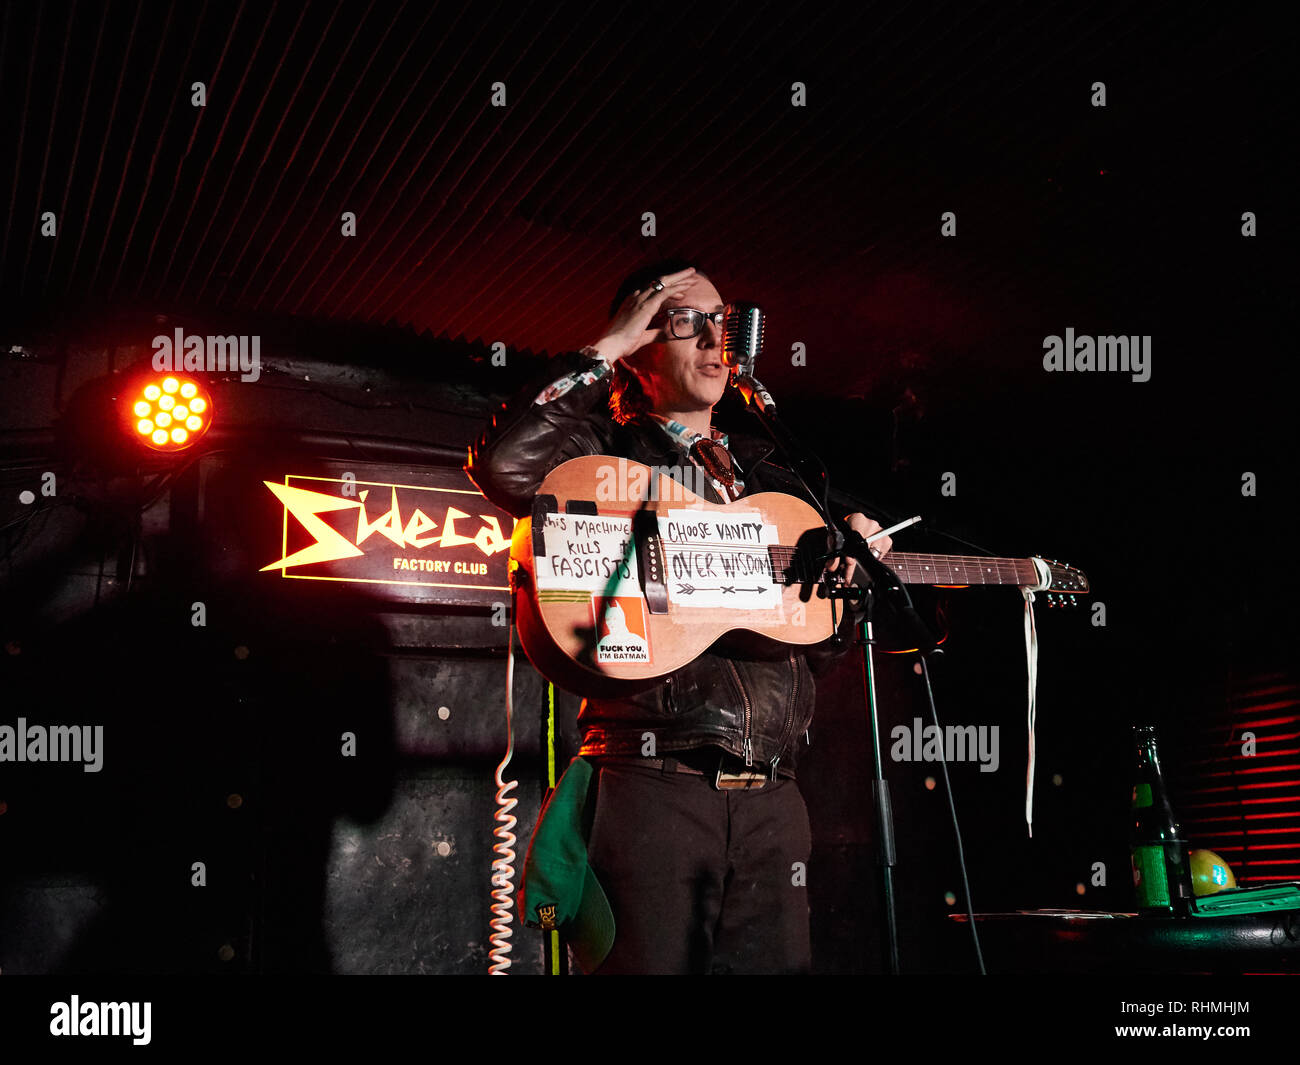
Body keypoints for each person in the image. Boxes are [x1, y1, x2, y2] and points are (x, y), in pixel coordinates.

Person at [466, 260, 893, 974]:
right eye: (686, 322)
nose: (713, 340)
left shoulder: (774, 476)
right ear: (640, 346)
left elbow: (815, 649)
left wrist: (847, 585)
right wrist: (603, 346)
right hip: (653, 787)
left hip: (775, 801)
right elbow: (505, 466)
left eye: (725, 323)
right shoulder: (604, 450)